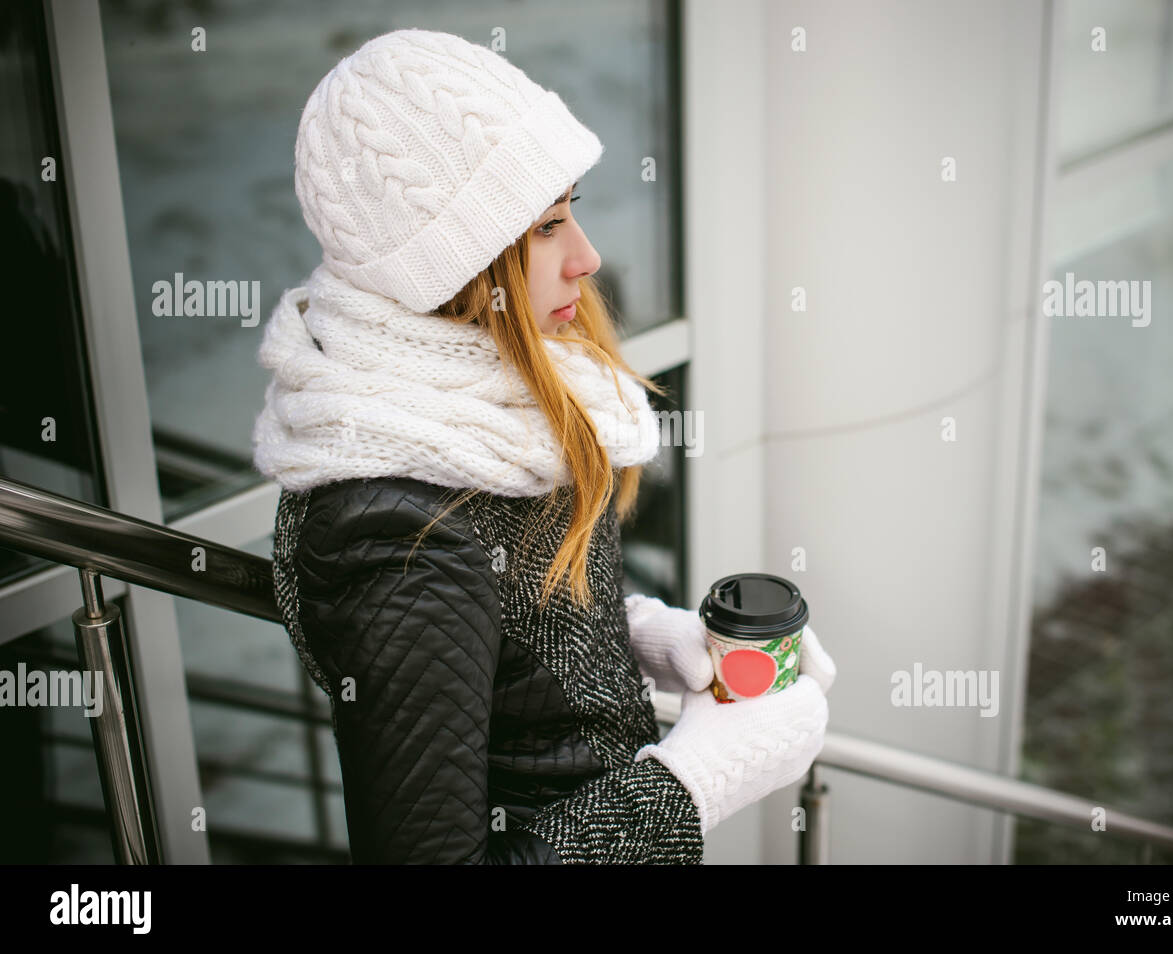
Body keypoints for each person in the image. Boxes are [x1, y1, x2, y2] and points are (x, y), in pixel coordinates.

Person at [252, 28, 834, 865]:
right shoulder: (393, 533)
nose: (587, 259)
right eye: (545, 227)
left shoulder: (482, 403)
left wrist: (644, 635)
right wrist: (693, 783)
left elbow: (494, 618)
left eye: (575, 210)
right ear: (447, 265)